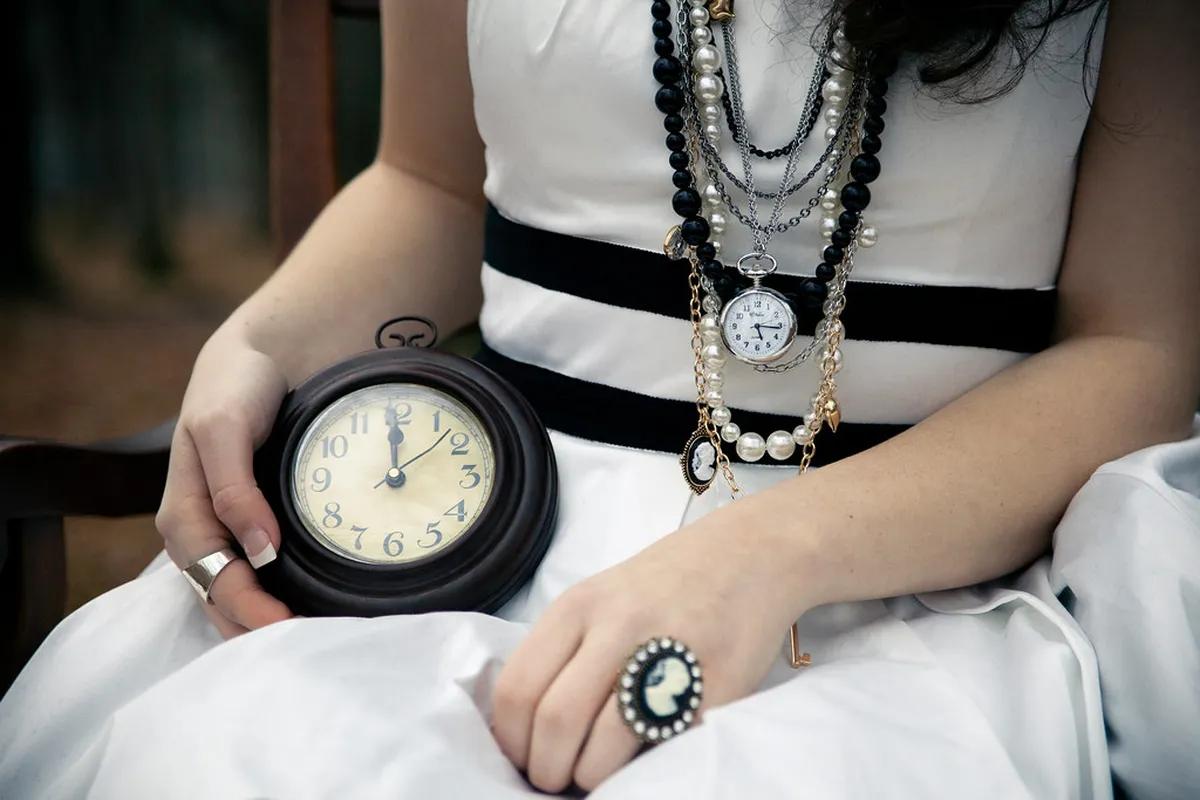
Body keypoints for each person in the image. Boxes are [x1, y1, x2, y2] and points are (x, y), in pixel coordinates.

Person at [2, 1, 1198, 797]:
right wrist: (258, 339)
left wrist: (764, 552)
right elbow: (427, 180)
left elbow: (1138, 344)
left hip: (915, 580)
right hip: (474, 532)